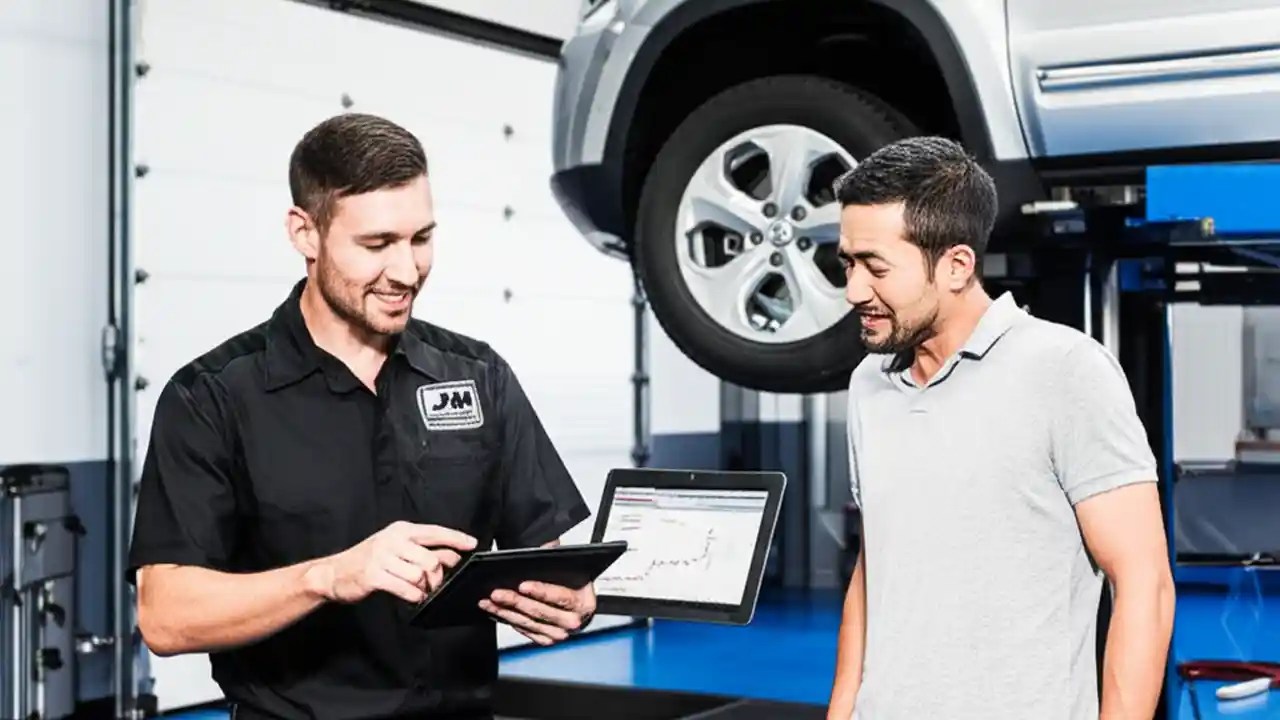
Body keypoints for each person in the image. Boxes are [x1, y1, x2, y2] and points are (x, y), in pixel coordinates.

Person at [128, 112, 595, 720]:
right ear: (305, 233)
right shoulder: (212, 398)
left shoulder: (477, 376)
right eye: (376, 245)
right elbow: (166, 617)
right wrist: (330, 576)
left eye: (421, 238)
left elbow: (544, 556)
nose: (406, 272)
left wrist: (566, 597)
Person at [825, 136, 1175, 720]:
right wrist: (841, 709)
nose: (854, 290)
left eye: (875, 268)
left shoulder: (1065, 370)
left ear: (957, 265)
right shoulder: (869, 385)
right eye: (848, 263)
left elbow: (1143, 584)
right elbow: (875, 566)